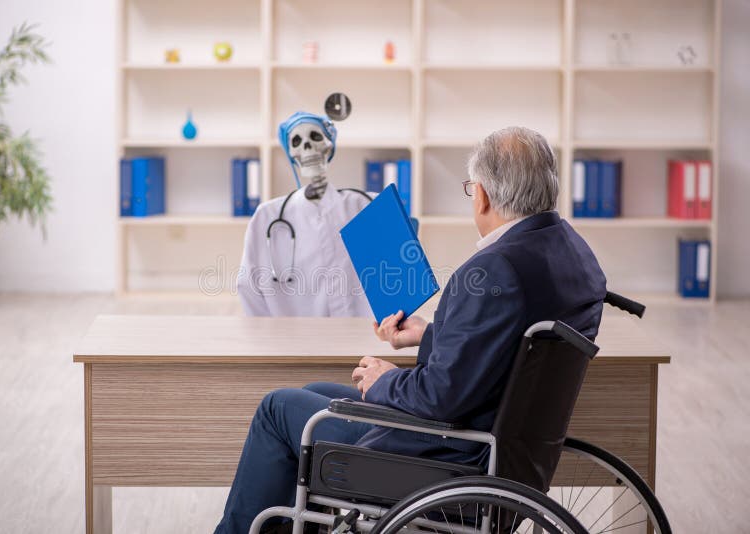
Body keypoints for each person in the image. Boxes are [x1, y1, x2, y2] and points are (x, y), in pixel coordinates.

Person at [213, 126, 607, 533]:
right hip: (500, 449)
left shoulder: (495, 268)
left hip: (443, 460)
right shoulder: (570, 251)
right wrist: (430, 334)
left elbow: (441, 396)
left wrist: (386, 379)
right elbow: (507, 348)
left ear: (484, 195)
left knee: (277, 409)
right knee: (314, 392)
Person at [237, 111, 373, 317]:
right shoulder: (267, 216)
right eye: (297, 142)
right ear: (291, 155)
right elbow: (248, 289)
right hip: (291, 344)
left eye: (316, 137)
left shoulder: (366, 206)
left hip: (365, 338)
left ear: (330, 146)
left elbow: (401, 279)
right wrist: (268, 340)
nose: (307, 147)